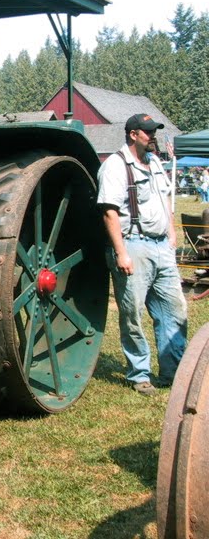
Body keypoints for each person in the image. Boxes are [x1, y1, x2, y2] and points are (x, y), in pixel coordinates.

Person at [97, 113, 188, 395]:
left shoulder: (155, 162)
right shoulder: (115, 165)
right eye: (148, 132)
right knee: (132, 314)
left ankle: (173, 372)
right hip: (133, 245)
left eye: (154, 131)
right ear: (133, 134)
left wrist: (171, 233)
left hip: (162, 247)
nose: (153, 136)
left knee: (174, 311)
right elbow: (109, 212)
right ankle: (140, 374)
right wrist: (121, 252)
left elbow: (165, 198)